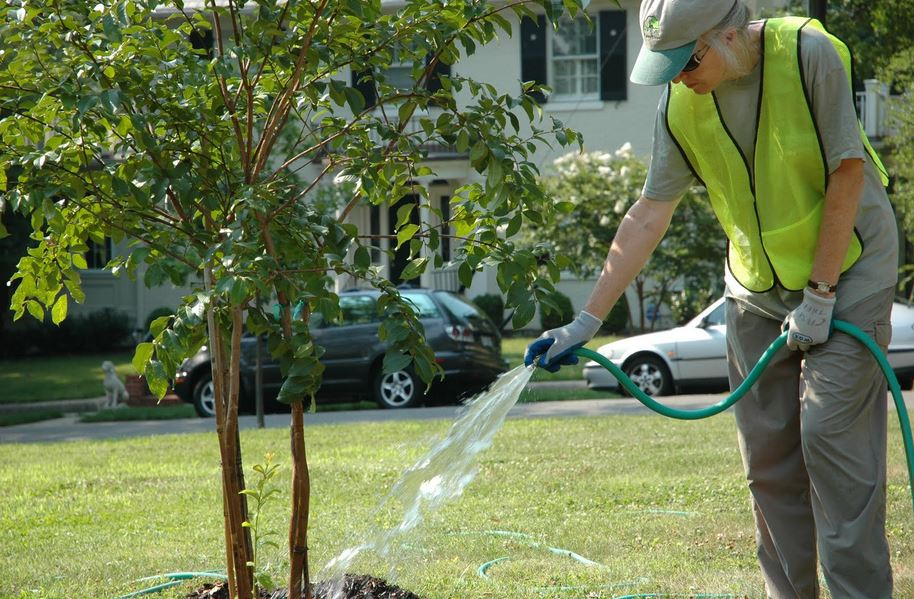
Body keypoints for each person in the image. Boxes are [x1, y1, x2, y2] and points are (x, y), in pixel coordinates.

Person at [524, 0, 898, 597]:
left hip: (850, 269)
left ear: (726, 35)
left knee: (830, 441)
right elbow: (649, 213)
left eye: (685, 62)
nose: (678, 78)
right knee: (768, 462)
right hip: (754, 289)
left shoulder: (809, 54)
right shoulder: (679, 106)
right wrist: (585, 321)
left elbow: (847, 171)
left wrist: (822, 293)